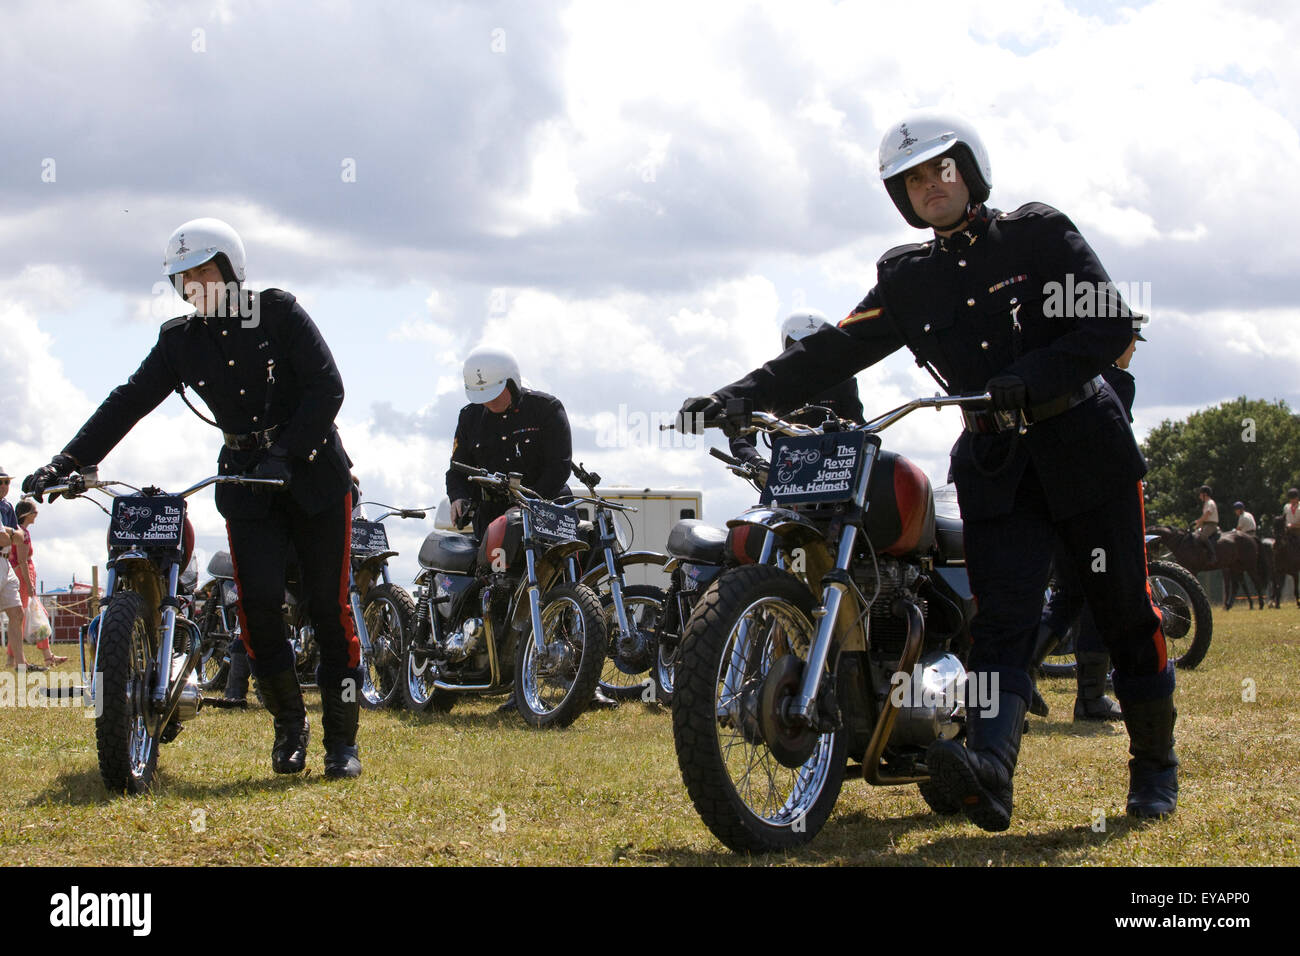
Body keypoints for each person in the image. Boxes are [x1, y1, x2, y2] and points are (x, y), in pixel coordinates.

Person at [679, 112, 1174, 829]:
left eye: (942, 168)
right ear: (901, 197)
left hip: (1084, 447)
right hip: (998, 464)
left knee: (1125, 611)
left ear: (969, 171)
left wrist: (1030, 374)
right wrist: (739, 396)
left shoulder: (1037, 234)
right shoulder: (907, 279)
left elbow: (1110, 325)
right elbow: (829, 352)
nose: (930, 184)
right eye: (913, 177)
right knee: (1003, 621)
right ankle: (988, 773)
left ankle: (1155, 773)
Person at [24, 218, 363, 778]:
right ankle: (289, 729)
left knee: (329, 609)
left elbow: (329, 388)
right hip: (244, 483)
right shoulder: (179, 341)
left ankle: (342, 744)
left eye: (205, 271)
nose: (195, 285)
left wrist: (286, 456)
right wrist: (68, 459)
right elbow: (128, 400)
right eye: (185, 278)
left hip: (314, 476)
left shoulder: (279, 311)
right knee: (256, 610)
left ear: (231, 270)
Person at [444, 345, 615, 710]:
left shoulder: (547, 409)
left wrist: (530, 504)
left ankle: (584, 681)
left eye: (494, 394)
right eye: (481, 397)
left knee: (576, 590)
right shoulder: (469, 417)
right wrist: (458, 496)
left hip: (550, 509)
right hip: (494, 520)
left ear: (513, 383)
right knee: (503, 597)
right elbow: (456, 468)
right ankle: (511, 682)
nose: (488, 403)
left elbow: (560, 466)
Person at [728, 311, 864, 470]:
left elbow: (859, 426)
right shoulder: (770, 384)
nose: (806, 352)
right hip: (784, 475)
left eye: (816, 345)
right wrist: (757, 462)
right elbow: (741, 436)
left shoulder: (843, 381)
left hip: (834, 474)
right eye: (798, 344)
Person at [11, 498, 68, 667]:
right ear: (27, 514)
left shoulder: (16, 530)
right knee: (23, 617)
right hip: (23, 577)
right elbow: (22, 561)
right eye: (35, 511)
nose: (37, 515)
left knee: (23, 617)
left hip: (22, 576)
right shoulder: (23, 534)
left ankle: (45, 656)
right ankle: (20, 658)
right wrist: (29, 585)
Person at [0, 467, 38, 672]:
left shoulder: (6, 507)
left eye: (7, 482)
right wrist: (10, 534)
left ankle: (20, 664)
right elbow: (9, 537)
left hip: (5, 563)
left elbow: (19, 537)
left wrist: (8, 533)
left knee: (16, 613)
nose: (5, 486)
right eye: (1, 482)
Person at [1194, 485, 1219, 563]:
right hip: (1206, 524)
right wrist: (1197, 525)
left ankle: (1212, 555)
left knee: (1203, 536)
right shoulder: (1206, 503)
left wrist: (1199, 521)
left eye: (1200, 494)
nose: (1199, 496)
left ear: (1205, 494)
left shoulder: (1210, 502)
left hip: (1211, 525)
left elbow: (1207, 514)